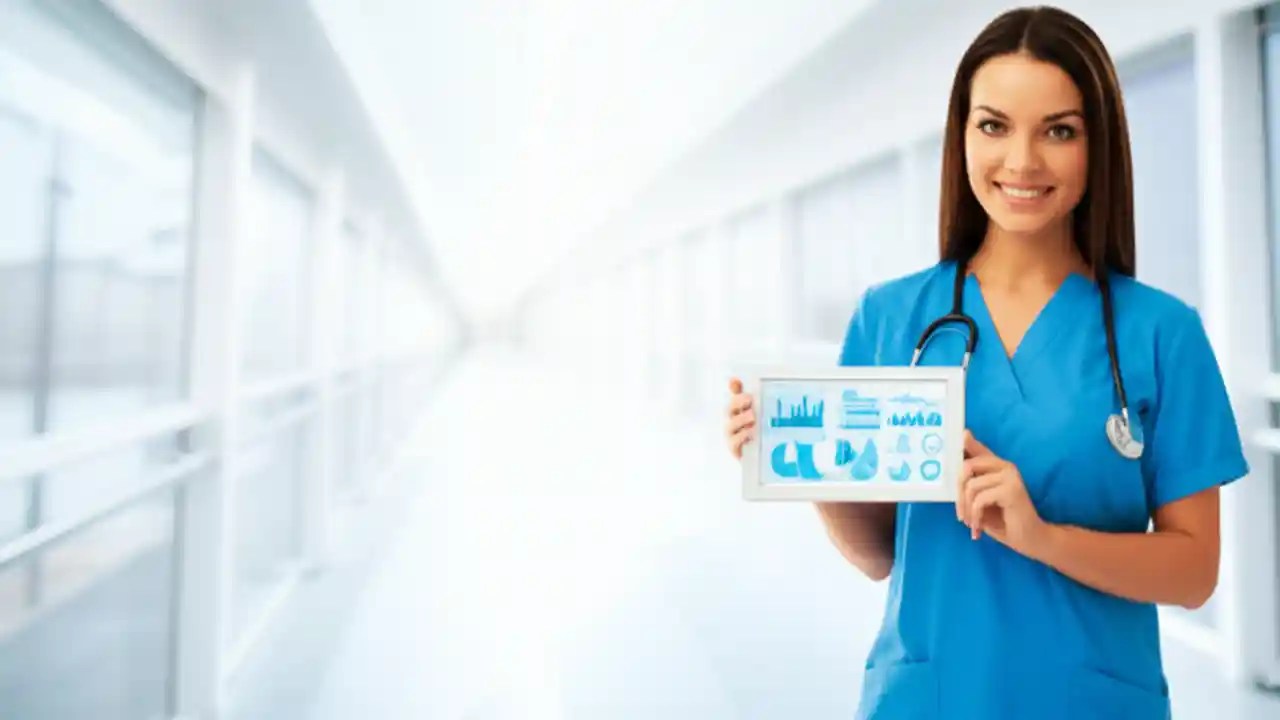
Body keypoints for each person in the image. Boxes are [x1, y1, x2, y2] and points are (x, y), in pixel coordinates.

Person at [723, 6, 1248, 719]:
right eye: (994, 126)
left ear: (1098, 146)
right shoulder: (892, 317)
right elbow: (881, 555)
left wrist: (1044, 538)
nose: (1022, 161)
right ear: (961, 136)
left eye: (1058, 130)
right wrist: (799, 452)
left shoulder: (1162, 333)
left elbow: (1194, 572)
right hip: (927, 699)